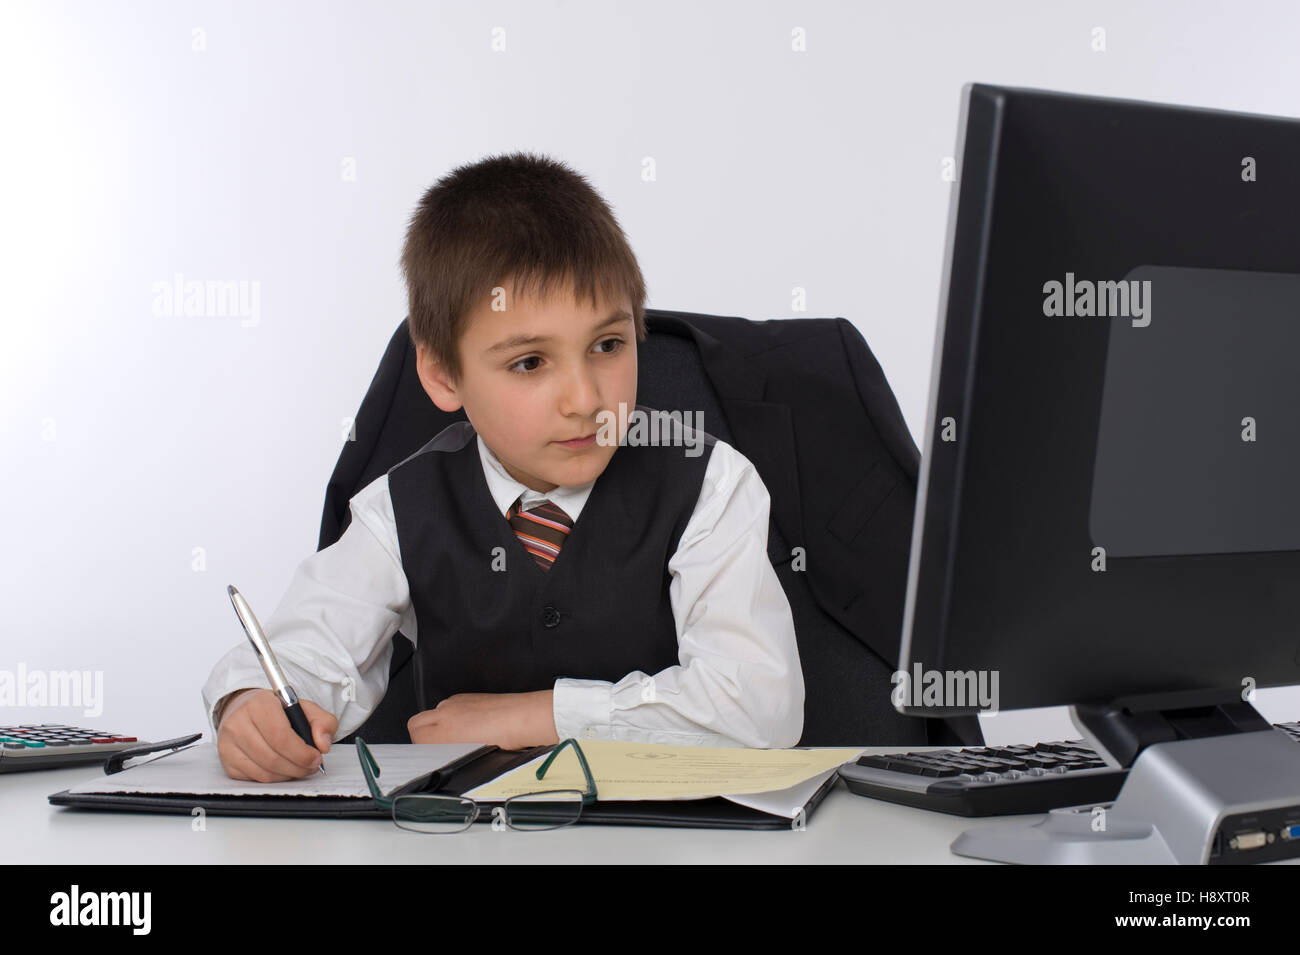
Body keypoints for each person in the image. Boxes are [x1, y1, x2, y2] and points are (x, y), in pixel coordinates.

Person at [203, 151, 804, 781]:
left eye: (608, 345)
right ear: (442, 376)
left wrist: (539, 716)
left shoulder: (709, 484)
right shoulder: (400, 507)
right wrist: (250, 703)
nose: (585, 401)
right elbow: (308, 652)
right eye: (529, 363)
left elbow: (761, 707)